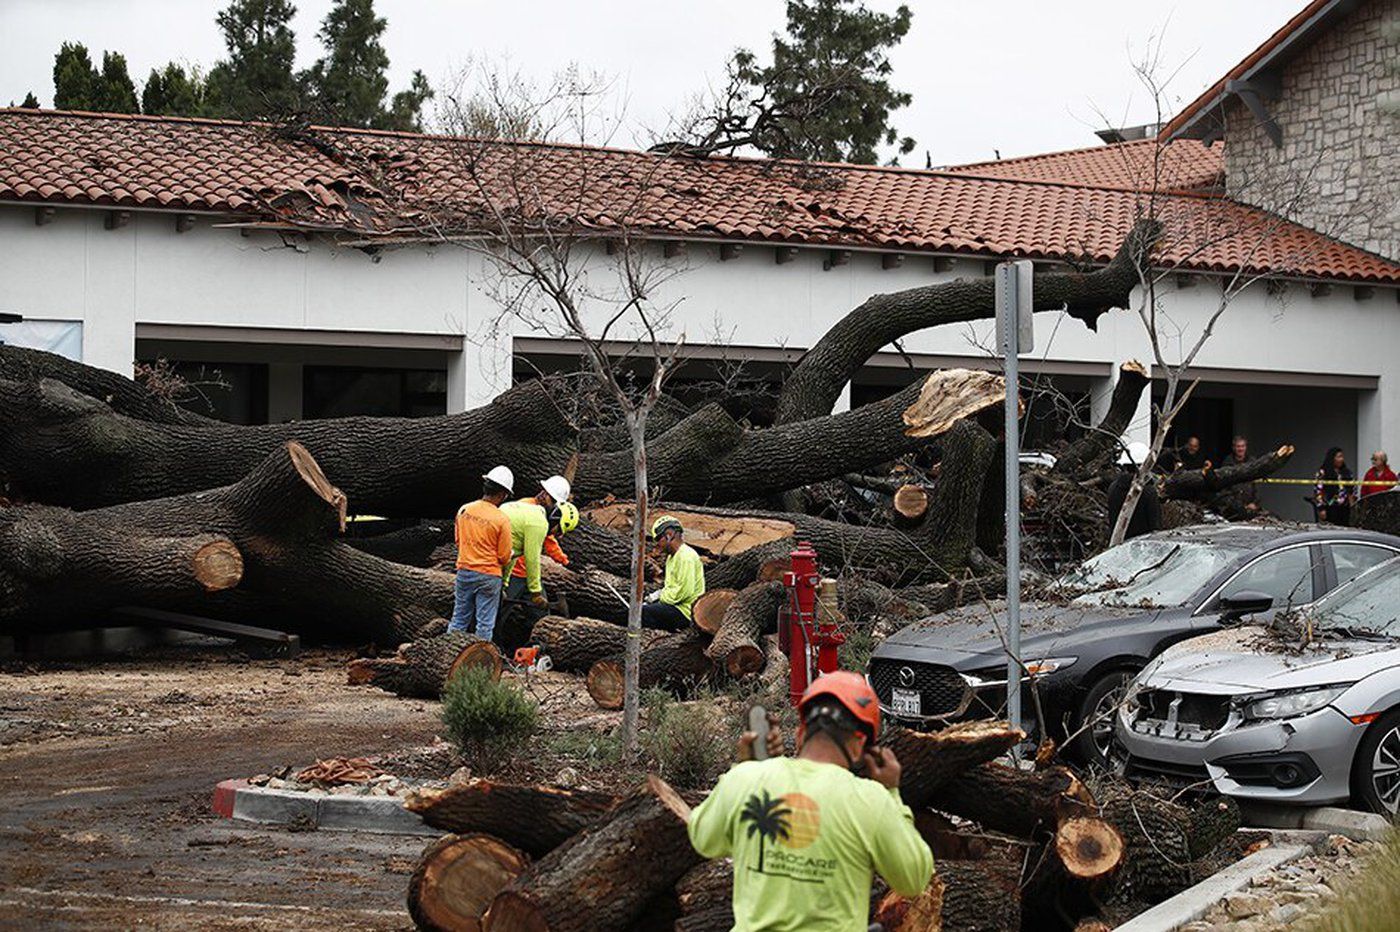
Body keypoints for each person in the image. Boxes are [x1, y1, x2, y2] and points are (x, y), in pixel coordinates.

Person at [687, 672, 934, 931]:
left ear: (800, 732)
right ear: (860, 744)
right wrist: (892, 793)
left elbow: (704, 840)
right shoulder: (871, 799)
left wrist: (744, 769)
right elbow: (914, 879)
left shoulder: (745, 779)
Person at [450, 465, 514, 639]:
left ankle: (446, 653)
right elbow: (504, 556)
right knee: (484, 624)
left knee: (459, 618)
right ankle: (479, 663)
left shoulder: (464, 510)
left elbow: (458, 541)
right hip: (489, 576)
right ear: (503, 494)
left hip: (464, 570)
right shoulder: (502, 519)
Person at [643, 516, 705, 631]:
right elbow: (671, 587)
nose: (656, 544)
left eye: (658, 539)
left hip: (686, 612)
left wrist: (659, 597)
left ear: (669, 535)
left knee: (644, 612)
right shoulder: (671, 558)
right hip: (675, 606)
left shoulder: (686, 556)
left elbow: (682, 593)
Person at [1106, 442, 1162, 540]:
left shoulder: (1113, 488)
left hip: (1118, 547)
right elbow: (1155, 528)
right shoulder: (1148, 491)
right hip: (1144, 547)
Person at [1219, 435, 1261, 515]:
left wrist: (1255, 503)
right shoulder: (1227, 463)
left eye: (1243, 446)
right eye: (1238, 446)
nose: (1240, 449)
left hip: (1251, 506)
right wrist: (1234, 505)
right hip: (1232, 508)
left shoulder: (1252, 462)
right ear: (1234, 448)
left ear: (1246, 447)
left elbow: (1257, 484)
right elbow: (1223, 487)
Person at [1315, 448, 1355, 525]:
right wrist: (1321, 508)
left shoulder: (1347, 472)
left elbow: (1352, 490)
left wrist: (1353, 507)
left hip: (1345, 508)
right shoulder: (1323, 472)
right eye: (1339, 457)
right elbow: (1318, 491)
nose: (1341, 459)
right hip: (1330, 507)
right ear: (1332, 458)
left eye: (1342, 457)